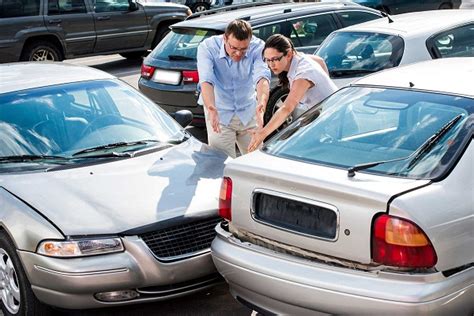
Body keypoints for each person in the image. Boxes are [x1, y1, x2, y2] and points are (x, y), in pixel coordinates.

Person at [248, 34, 337, 152]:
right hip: (324, 120)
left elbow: (287, 108)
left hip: (337, 124)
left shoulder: (304, 72)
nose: (271, 65)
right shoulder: (299, 57)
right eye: (267, 60)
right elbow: (320, 61)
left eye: (275, 59)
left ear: (288, 54)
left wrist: (262, 134)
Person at [197, 19, 271, 158]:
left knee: (256, 162)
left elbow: (262, 77)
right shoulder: (207, 47)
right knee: (222, 166)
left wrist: (262, 102)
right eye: (234, 48)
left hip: (248, 112)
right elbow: (206, 79)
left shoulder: (258, 47)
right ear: (225, 38)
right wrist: (211, 108)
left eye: (243, 49)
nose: (238, 53)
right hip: (219, 115)